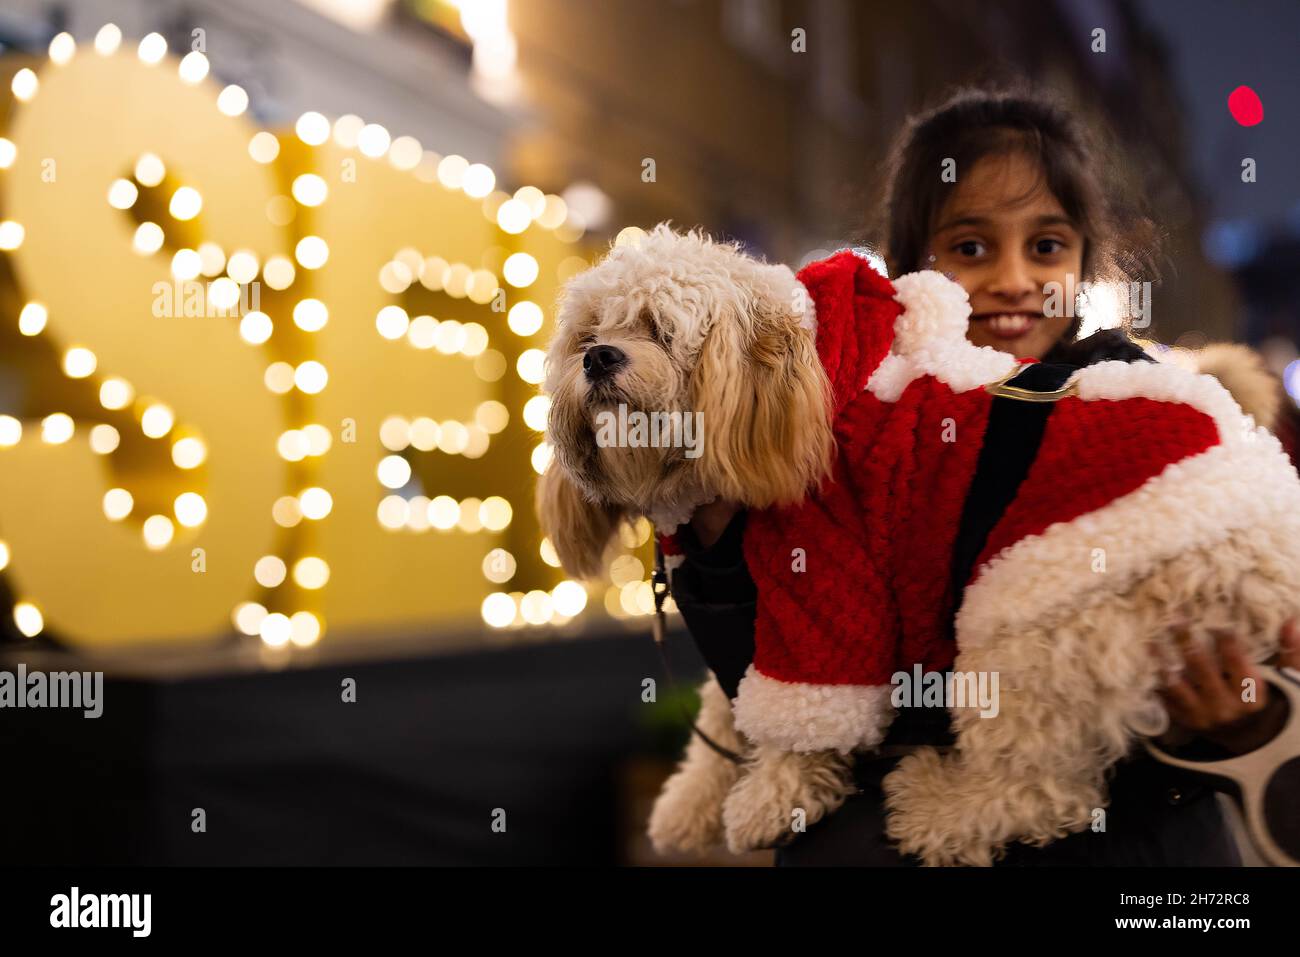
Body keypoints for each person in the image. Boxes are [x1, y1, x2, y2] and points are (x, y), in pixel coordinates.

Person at [669, 87, 1300, 866]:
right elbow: (772, 677)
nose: (1012, 278)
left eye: (1046, 247)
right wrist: (721, 546)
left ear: (1083, 260)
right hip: (889, 834)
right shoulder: (843, 421)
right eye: (970, 248)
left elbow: (1247, 656)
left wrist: (1245, 717)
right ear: (910, 267)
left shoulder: (1130, 409)